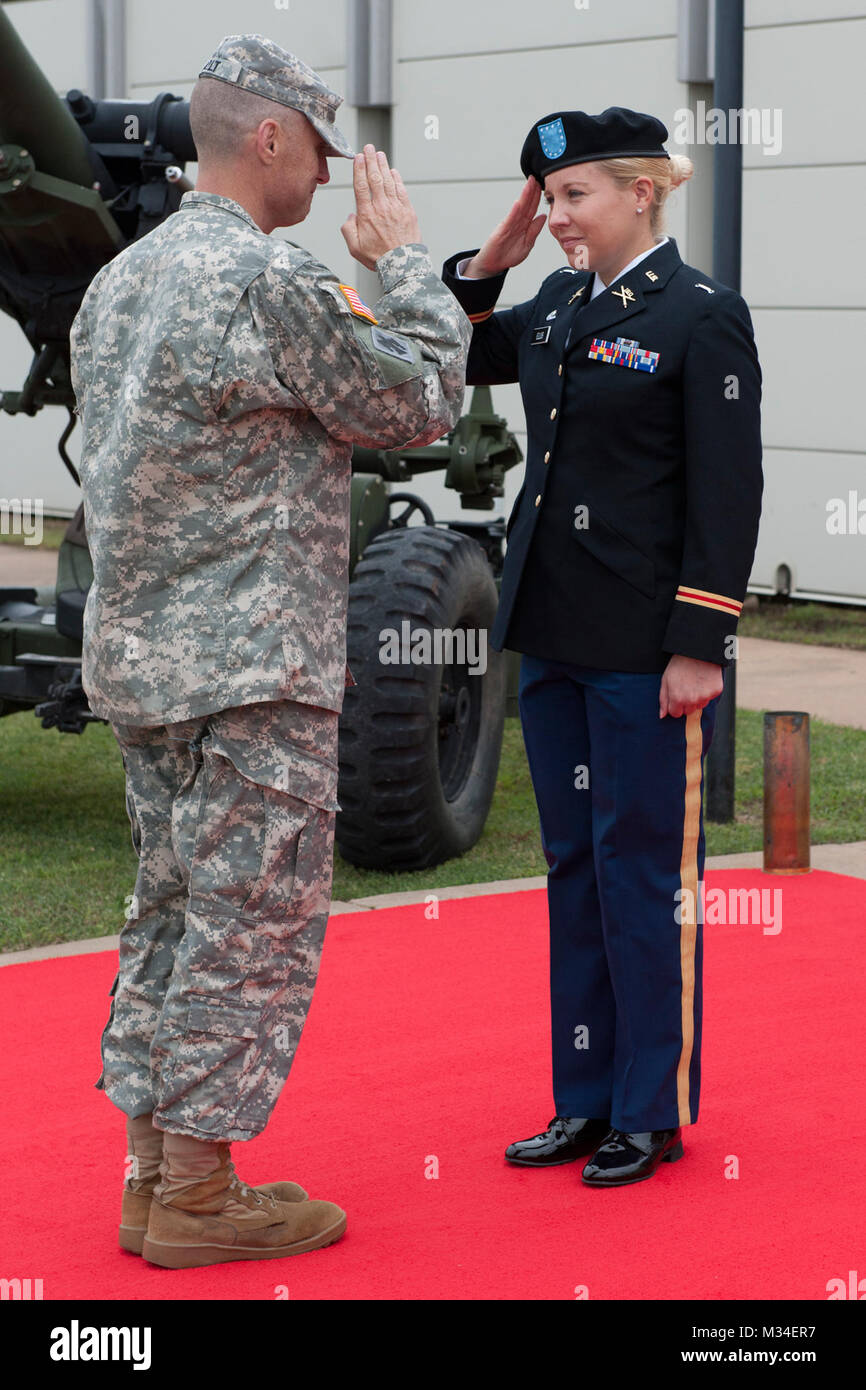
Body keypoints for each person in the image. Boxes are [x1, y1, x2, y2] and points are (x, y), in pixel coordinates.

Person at [69, 33, 470, 1267]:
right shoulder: (258, 281)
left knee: (173, 912)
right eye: (322, 150)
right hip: (253, 672)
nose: (329, 180)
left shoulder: (118, 280)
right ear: (271, 136)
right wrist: (405, 267)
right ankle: (198, 1193)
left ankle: (152, 1177)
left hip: (146, 667)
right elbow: (420, 402)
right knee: (251, 925)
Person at [442, 107, 762, 1186]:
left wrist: (698, 645)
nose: (559, 216)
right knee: (572, 870)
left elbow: (726, 492)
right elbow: (449, 352)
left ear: (644, 192)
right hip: (551, 635)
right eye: (549, 197)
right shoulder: (549, 306)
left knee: (643, 878)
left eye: (574, 195)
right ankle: (581, 1100)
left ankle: (649, 1109)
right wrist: (492, 259)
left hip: (643, 648)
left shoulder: (700, 315)